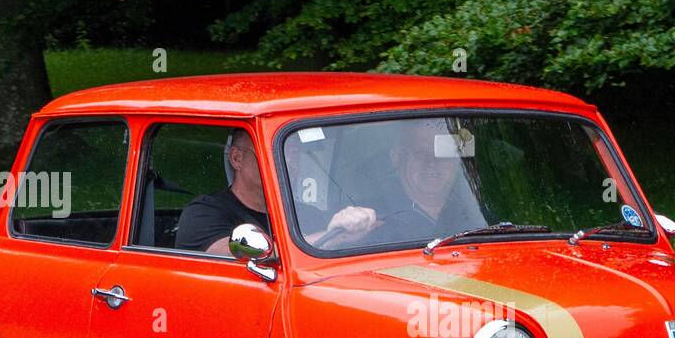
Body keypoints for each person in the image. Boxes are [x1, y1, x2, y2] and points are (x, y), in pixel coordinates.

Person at [308, 120, 473, 249]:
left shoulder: (477, 213)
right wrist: (338, 237)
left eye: (441, 154)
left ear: (456, 161)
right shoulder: (363, 218)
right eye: (420, 154)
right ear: (397, 157)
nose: (432, 163)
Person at [174, 129, 270, 255]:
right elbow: (229, 254)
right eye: (271, 153)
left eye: (294, 153)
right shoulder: (202, 213)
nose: (289, 161)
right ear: (237, 159)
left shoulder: (299, 213)